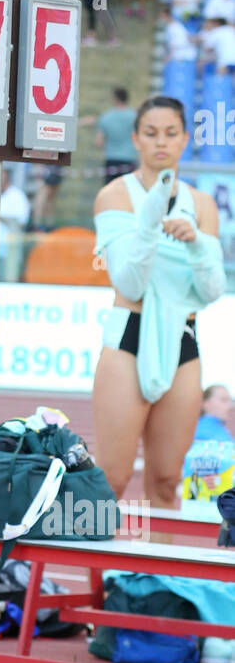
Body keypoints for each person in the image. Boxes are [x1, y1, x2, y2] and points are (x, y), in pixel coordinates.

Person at [93, 95, 225, 509]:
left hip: (183, 340)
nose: (161, 143)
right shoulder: (115, 196)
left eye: (171, 133)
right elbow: (129, 283)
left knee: (167, 479)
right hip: (129, 338)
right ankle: (98, 574)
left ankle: (155, 576)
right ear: (135, 139)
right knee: (110, 480)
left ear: (185, 138)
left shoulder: (201, 205)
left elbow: (210, 292)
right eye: (151, 134)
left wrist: (199, 245)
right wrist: (149, 227)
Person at [95, 87, 136, 183]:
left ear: (115, 98)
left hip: (111, 160)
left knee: (110, 193)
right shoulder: (134, 116)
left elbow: (98, 143)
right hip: (129, 160)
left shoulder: (106, 117)